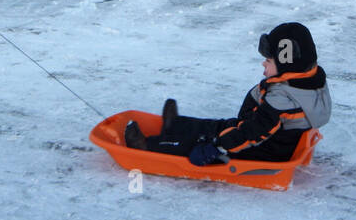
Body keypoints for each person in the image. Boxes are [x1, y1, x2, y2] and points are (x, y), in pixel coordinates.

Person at [125, 22, 331, 165]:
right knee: (219, 126)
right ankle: (177, 125)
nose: (263, 63)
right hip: (273, 139)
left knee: (204, 143)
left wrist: (219, 148)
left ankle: (148, 147)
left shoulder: (282, 100)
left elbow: (252, 133)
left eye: (269, 61)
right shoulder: (306, 82)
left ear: (288, 64)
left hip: (264, 151)